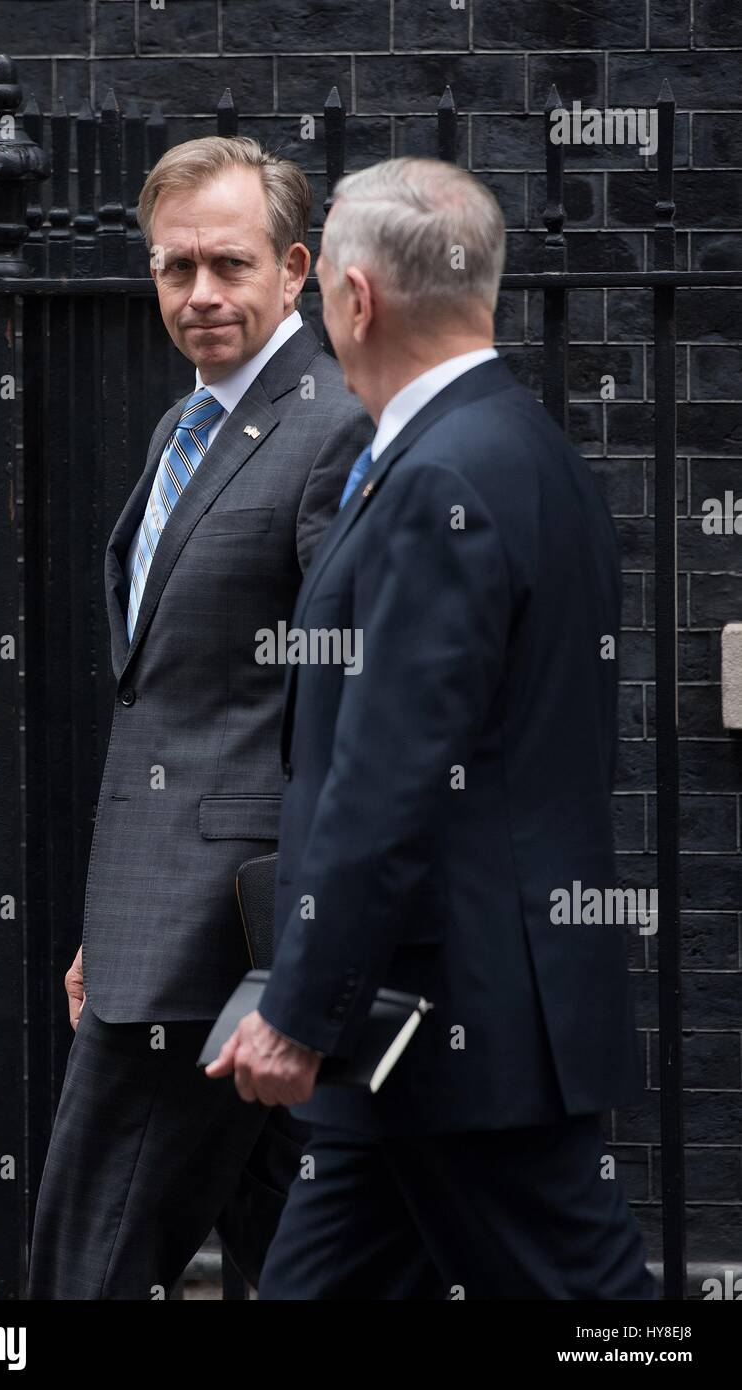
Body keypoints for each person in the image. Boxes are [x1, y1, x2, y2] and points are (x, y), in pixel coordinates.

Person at [208, 157, 658, 1301]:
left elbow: (394, 770)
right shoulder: (535, 453)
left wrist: (300, 1009)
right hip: (432, 1030)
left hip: (462, 1025)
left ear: (353, 298)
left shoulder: (433, 478)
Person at [28, 136, 372, 1299]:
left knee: (86, 1262)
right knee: (300, 1264)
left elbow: (348, 697)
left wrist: (302, 950)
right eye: (176, 269)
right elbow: (172, 705)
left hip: (218, 957)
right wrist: (106, 924)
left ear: (296, 269)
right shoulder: (188, 431)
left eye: (227, 265)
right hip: (162, 933)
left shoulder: (330, 428)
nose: (201, 295)